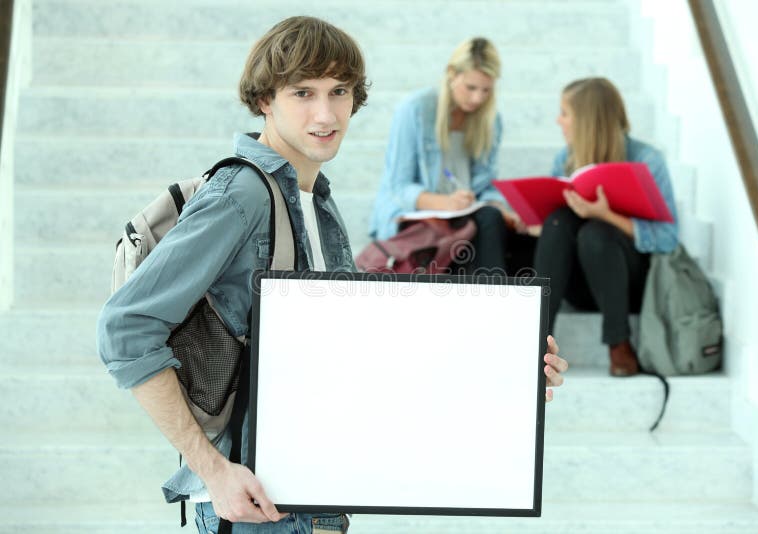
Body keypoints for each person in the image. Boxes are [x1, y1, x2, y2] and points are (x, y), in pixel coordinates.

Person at [97, 18, 569, 533]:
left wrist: (503, 374)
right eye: (303, 92)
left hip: (318, 503)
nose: (326, 114)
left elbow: (352, 359)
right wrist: (212, 471)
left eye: (339, 91)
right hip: (257, 509)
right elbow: (126, 327)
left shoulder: (318, 201)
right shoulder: (242, 194)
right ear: (264, 100)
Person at [533, 77, 678, 377]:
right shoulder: (565, 159)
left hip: (627, 283)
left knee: (596, 233)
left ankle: (619, 342)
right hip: (579, 282)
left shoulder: (647, 160)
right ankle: (538, 339)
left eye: (565, 113)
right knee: (558, 221)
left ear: (586, 121)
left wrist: (605, 214)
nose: (558, 121)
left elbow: (667, 238)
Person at [368, 37, 535, 275]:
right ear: (451, 74)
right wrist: (446, 203)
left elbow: (485, 185)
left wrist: (499, 206)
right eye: (471, 88)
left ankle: (495, 298)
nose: (478, 98)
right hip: (416, 217)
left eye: (486, 90)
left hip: (466, 218)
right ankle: (494, 300)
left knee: (502, 224)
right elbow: (399, 187)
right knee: (485, 225)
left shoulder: (490, 121)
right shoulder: (416, 109)